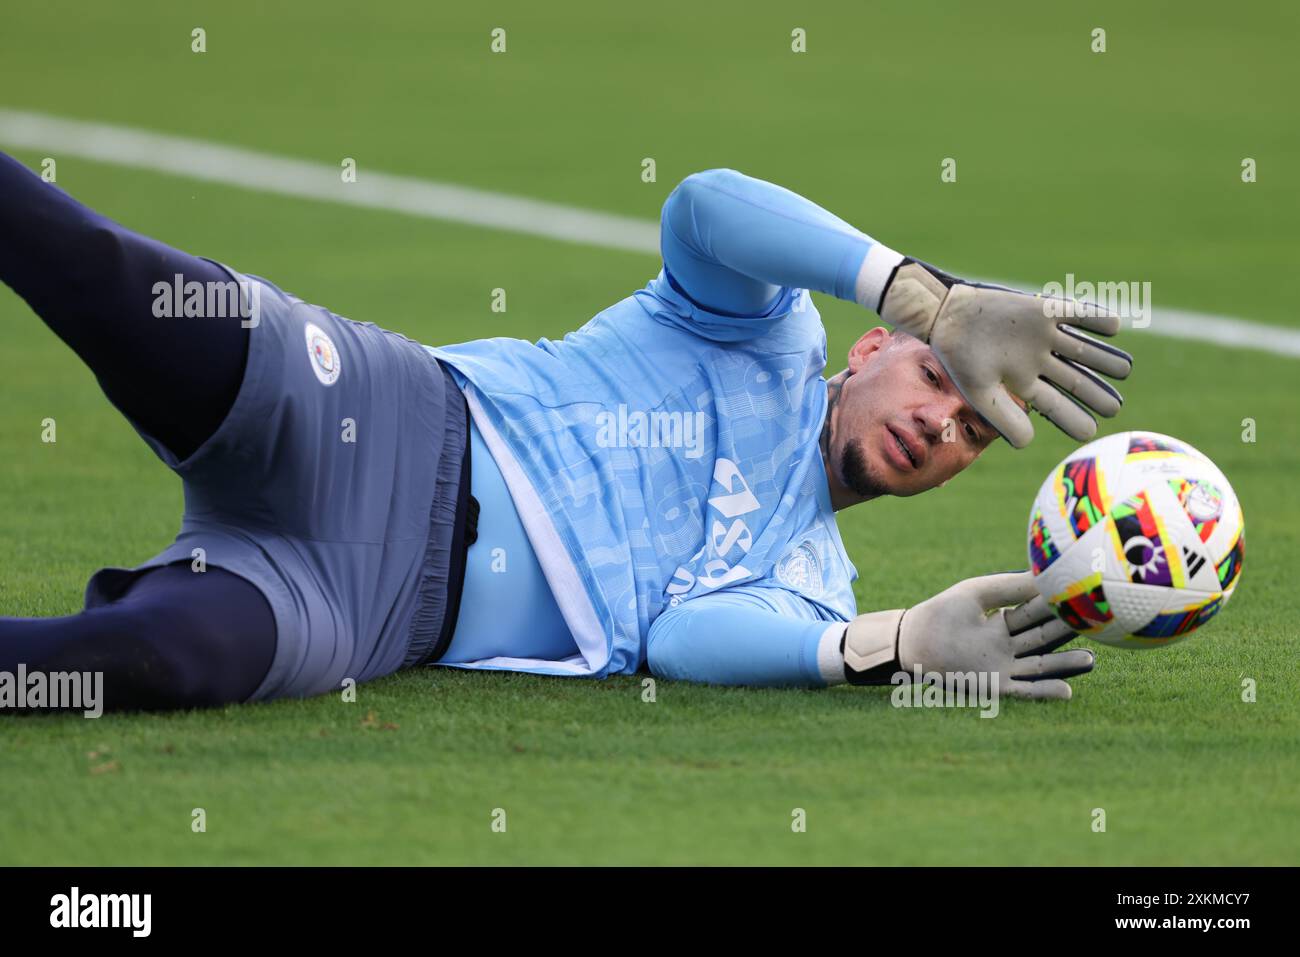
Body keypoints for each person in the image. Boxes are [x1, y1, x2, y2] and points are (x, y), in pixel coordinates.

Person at [0, 156, 1131, 711]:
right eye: (937, 378)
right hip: (378, 419)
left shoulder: (813, 584)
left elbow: (685, 643)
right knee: (104, 280)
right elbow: (703, 206)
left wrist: (896, 645)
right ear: (869, 350)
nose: (941, 424)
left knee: (143, 663)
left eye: (973, 436)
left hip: (361, 612)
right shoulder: (758, 329)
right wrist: (918, 292)